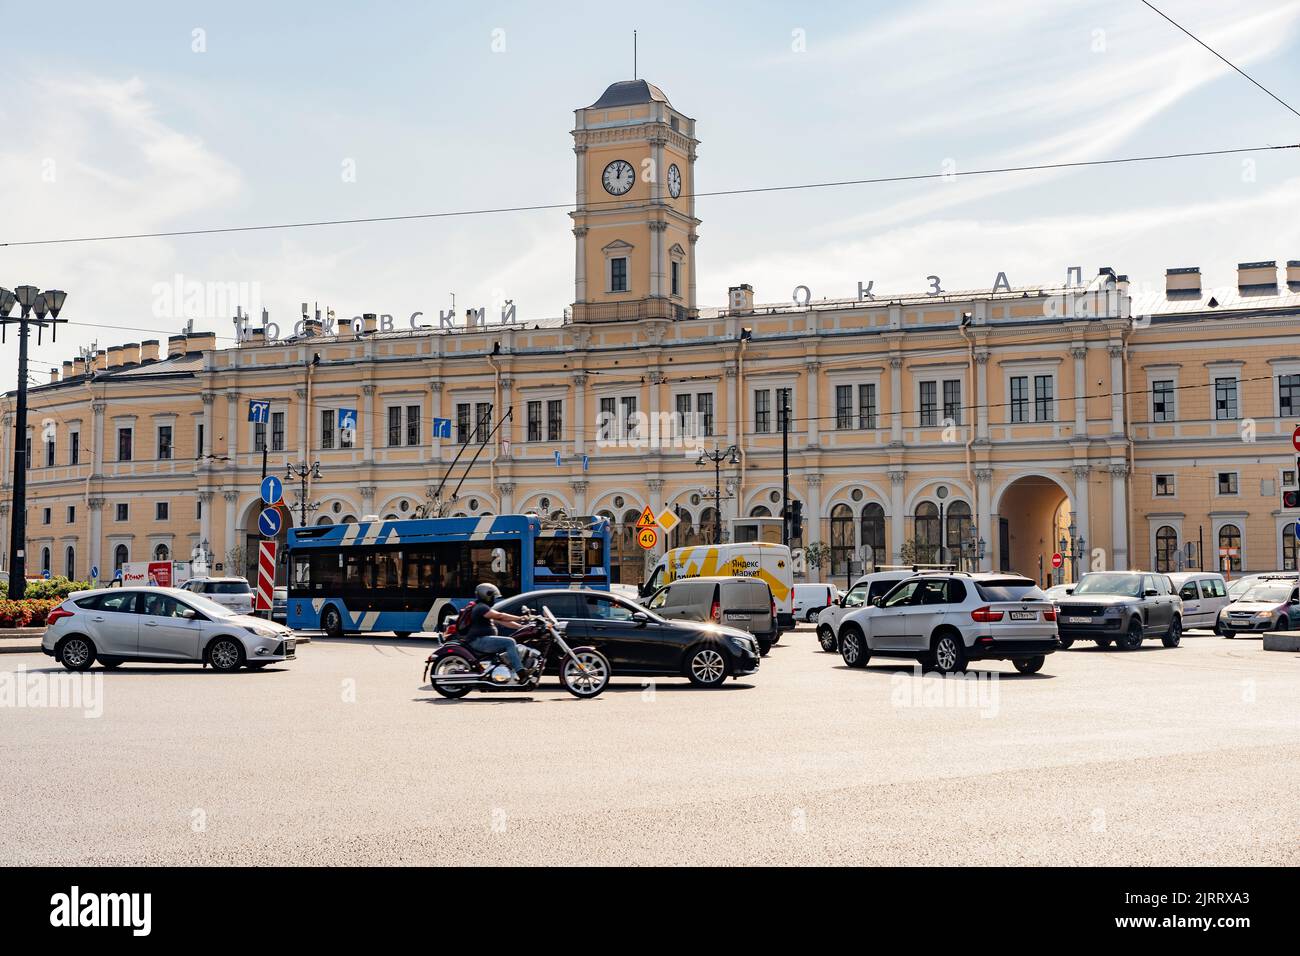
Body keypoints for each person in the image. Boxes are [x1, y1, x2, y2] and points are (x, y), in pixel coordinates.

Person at [463, 583, 530, 680]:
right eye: (493, 596)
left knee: (510, 643)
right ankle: (521, 672)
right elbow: (500, 616)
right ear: (487, 595)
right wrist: (520, 618)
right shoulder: (481, 607)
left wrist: (521, 627)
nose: (494, 599)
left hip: (481, 640)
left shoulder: (482, 608)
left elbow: (502, 621)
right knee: (510, 642)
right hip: (479, 641)